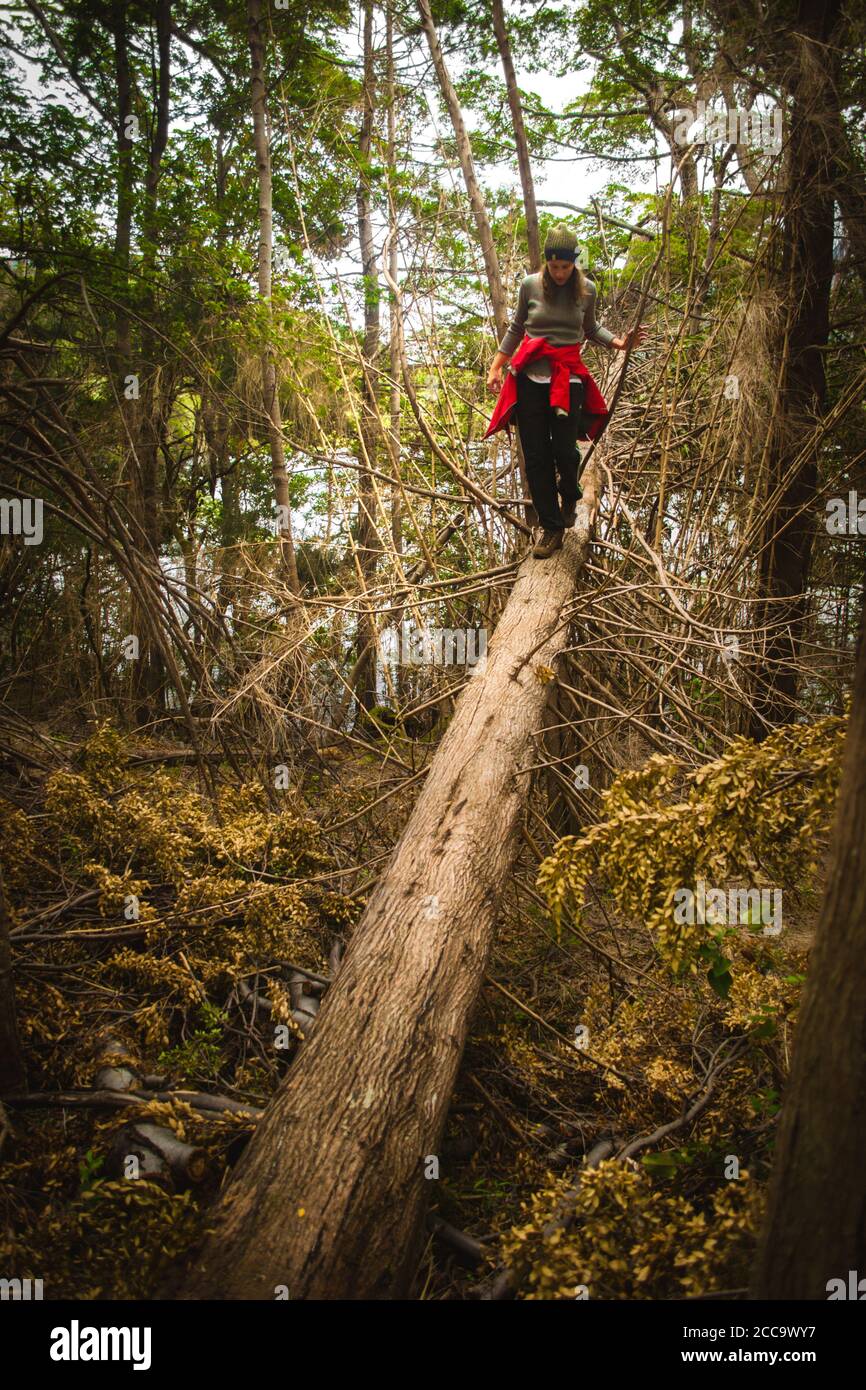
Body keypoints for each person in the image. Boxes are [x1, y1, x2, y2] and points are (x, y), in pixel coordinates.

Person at [484, 224, 647, 558]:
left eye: (566, 266)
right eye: (554, 266)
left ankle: (570, 493)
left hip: (567, 376)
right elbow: (517, 327)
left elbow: (591, 327)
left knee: (565, 450)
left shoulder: (586, 289)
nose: (559, 273)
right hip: (530, 377)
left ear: (574, 264)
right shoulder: (530, 285)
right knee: (536, 456)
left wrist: (619, 343)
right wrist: (496, 365)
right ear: (547, 263)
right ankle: (551, 527)